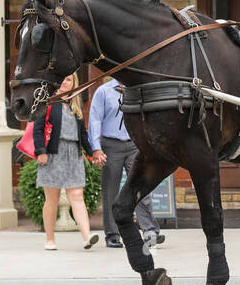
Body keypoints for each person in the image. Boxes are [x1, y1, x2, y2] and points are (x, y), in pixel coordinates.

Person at [88, 76, 164, 250]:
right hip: (110, 145)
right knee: (111, 191)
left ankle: (150, 231)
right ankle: (112, 234)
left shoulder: (138, 89)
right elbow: (94, 120)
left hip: (135, 145)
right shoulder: (104, 91)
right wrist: (96, 148)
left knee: (142, 186)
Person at [34, 72, 99, 251]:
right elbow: (37, 129)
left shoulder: (75, 104)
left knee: (77, 196)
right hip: (52, 153)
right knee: (52, 199)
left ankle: (87, 236)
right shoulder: (47, 101)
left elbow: (83, 134)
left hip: (74, 154)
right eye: (62, 78)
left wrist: (92, 152)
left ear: (74, 83)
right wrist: (41, 151)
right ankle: (49, 238)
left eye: (69, 79)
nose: (64, 81)